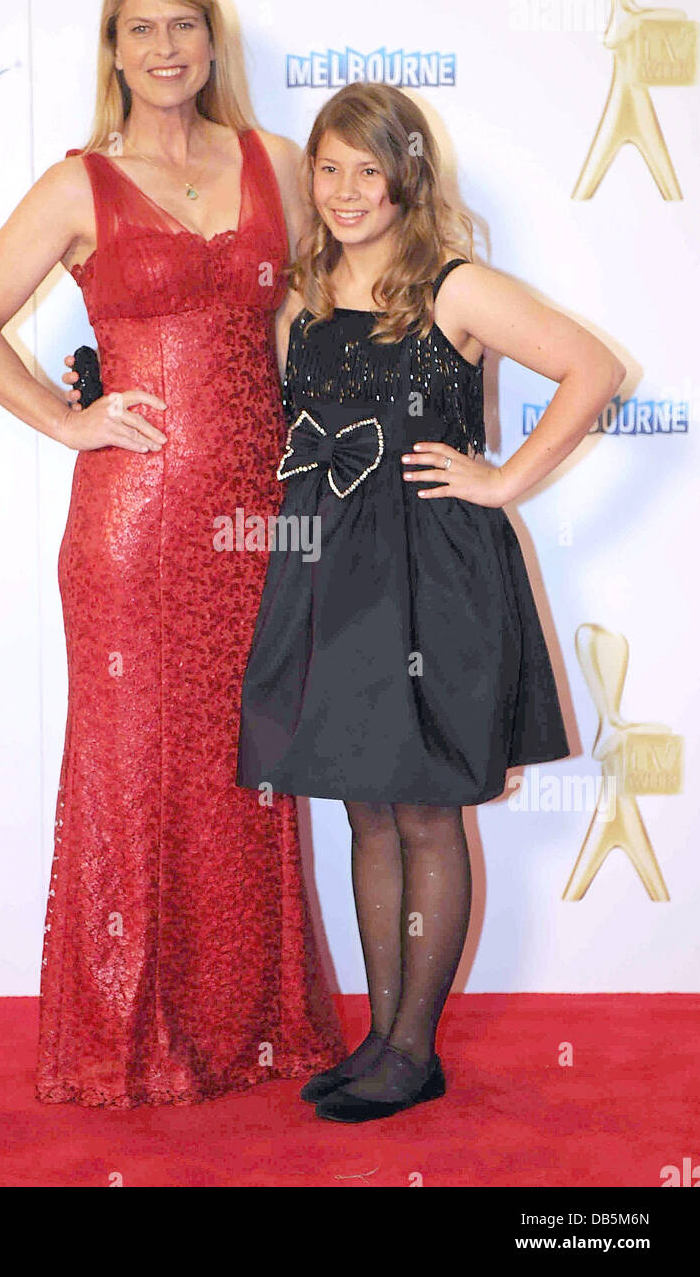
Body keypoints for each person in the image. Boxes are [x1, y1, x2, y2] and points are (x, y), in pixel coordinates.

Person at [0, 0, 344, 1110]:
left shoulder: (273, 161)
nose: (165, 49)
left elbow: (313, 313)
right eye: (141, 30)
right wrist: (65, 421)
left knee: (248, 769)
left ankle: (252, 1026)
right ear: (112, 51)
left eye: (183, 26)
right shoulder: (80, 184)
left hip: (256, 518)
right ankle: (129, 1038)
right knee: (133, 769)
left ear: (211, 41)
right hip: (133, 526)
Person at [236, 81, 626, 1123]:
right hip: (332, 575)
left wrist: (501, 481)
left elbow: (591, 369)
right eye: (328, 168)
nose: (345, 190)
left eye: (368, 170)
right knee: (362, 806)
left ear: (406, 179)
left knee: (421, 806)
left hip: (433, 575)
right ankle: (380, 1037)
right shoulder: (302, 301)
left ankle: (414, 1049)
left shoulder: (454, 288)